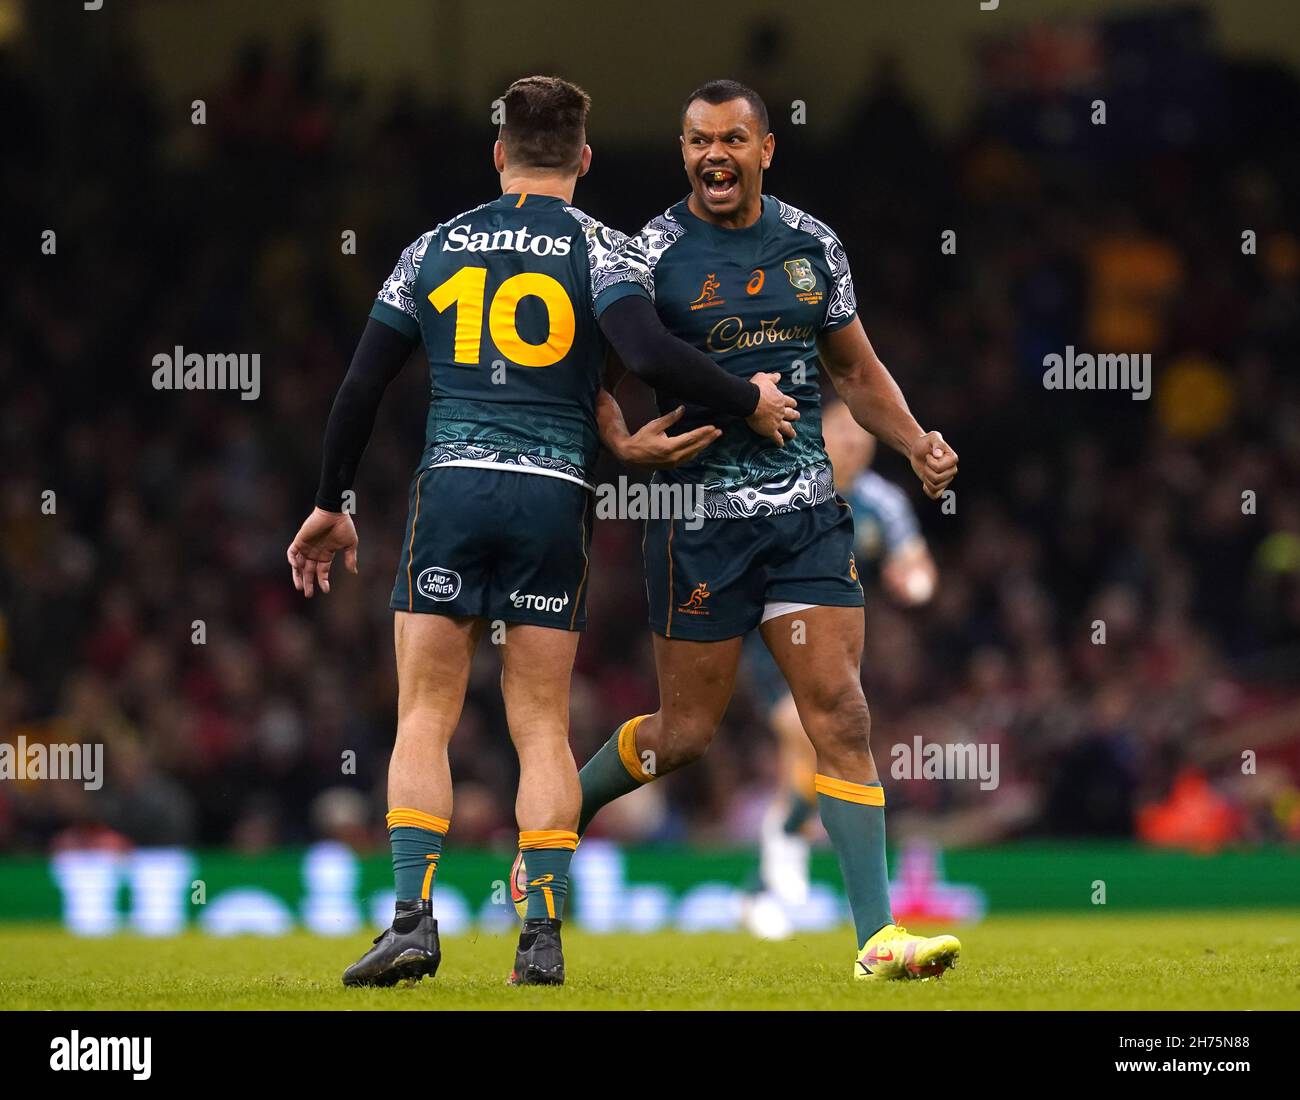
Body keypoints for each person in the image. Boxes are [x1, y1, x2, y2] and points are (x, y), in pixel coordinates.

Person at [285, 75, 795, 988]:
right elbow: (647, 354)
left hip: (454, 490)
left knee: (425, 716)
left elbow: (361, 386)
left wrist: (333, 501)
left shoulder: (433, 248)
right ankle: (542, 936)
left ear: (498, 154)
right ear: (585, 158)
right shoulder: (603, 249)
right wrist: (746, 395)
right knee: (541, 727)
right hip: (552, 498)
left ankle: (411, 922)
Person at [574, 79, 962, 980]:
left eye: (733, 140)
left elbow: (856, 374)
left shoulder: (812, 244)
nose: (716, 154)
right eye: (699, 140)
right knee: (684, 735)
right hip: (701, 527)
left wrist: (914, 443)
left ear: (765, 150)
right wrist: (622, 440)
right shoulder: (652, 254)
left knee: (843, 713)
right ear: (683, 153)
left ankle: (876, 938)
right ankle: (556, 823)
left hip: (807, 521)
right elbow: (596, 369)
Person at [741, 400, 938, 941]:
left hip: (837, 649)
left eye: (861, 438)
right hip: (773, 637)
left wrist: (914, 580)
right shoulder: (789, 483)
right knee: (804, 739)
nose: (852, 445)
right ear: (818, 433)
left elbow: (915, 561)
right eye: (841, 435)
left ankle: (767, 881)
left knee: (809, 763)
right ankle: (778, 870)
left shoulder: (883, 502)